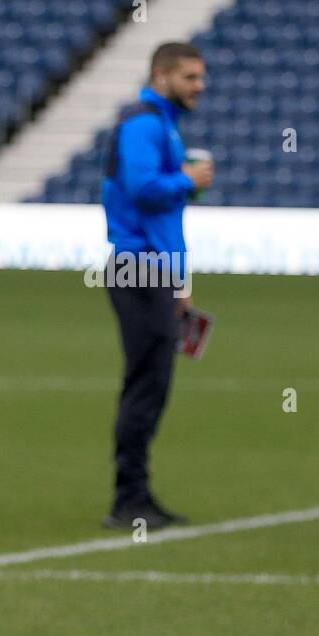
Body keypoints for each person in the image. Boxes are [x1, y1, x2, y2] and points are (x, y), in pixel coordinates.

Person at [100, 41, 214, 530]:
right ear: (161, 74)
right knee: (146, 384)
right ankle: (128, 499)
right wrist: (187, 179)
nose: (199, 86)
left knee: (153, 382)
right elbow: (143, 189)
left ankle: (137, 494)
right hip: (136, 267)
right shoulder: (144, 124)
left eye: (200, 77)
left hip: (154, 271)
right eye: (189, 77)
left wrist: (180, 281)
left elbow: (164, 217)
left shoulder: (160, 124)